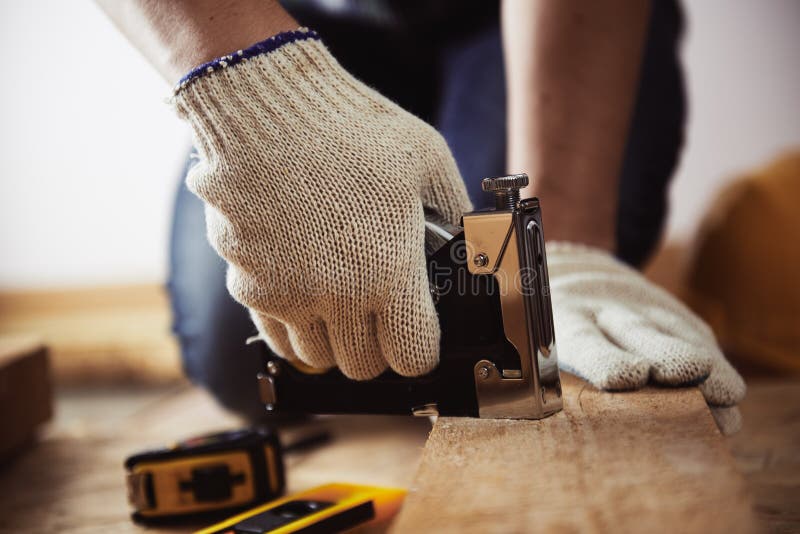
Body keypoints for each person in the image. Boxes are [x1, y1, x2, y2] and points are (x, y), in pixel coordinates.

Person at [98, 0, 745, 432]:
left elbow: (536, 264)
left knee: (516, 334)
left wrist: (559, 244)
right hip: (296, 16)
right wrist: (256, 88)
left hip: (516, 23)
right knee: (252, 367)